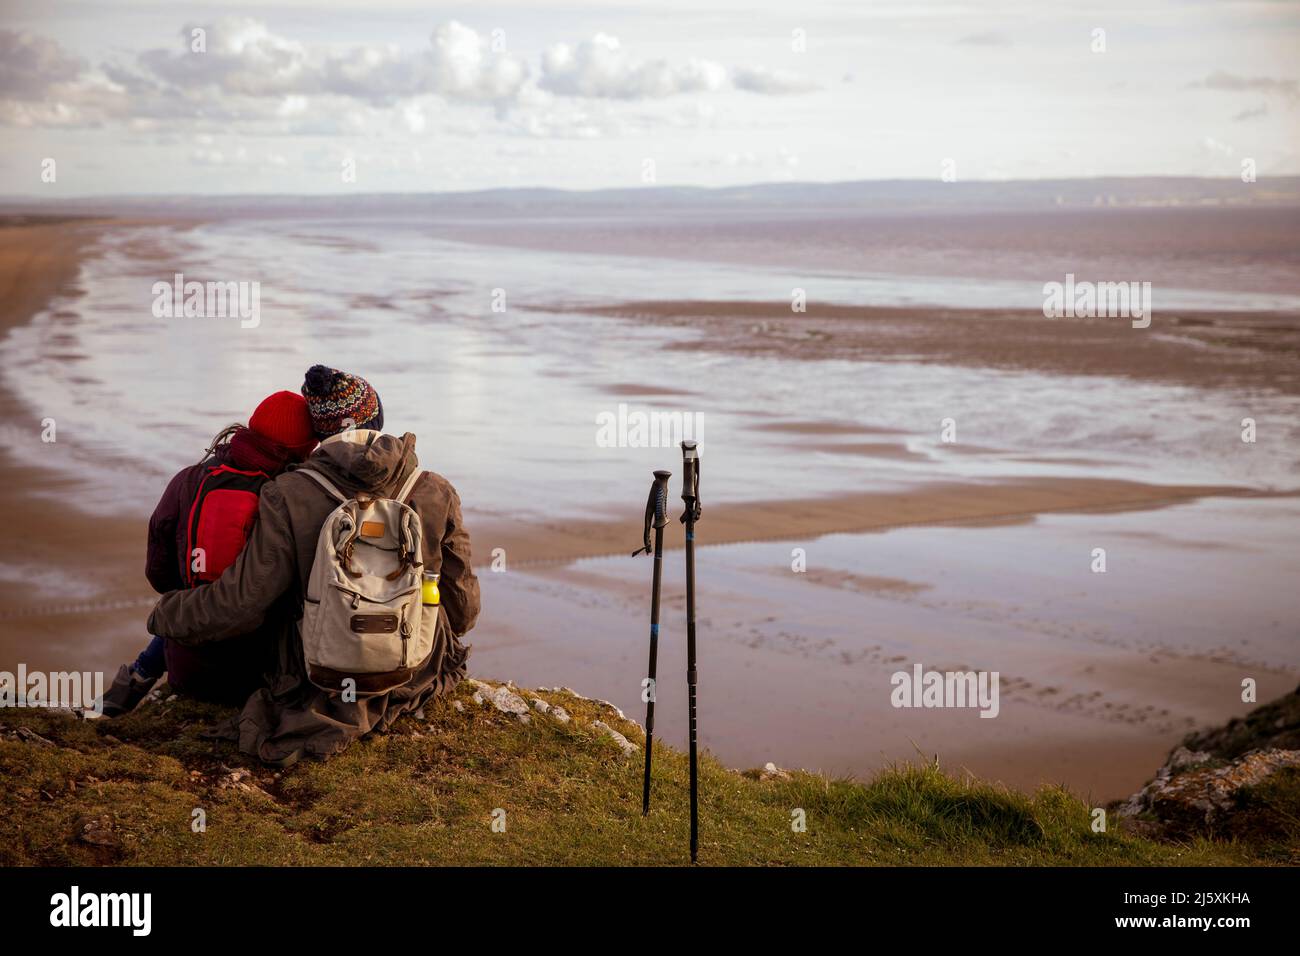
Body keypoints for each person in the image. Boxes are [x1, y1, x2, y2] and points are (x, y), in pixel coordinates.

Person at [147, 365, 480, 765]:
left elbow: (242, 603)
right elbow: (463, 611)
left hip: (320, 677)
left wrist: (165, 614)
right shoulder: (435, 489)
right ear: (377, 419)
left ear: (319, 434)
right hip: (414, 669)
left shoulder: (288, 493)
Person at [101, 391, 318, 716]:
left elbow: (158, 575)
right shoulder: (291, 500)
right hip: (263, 676)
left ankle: (128, 687)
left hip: (188, 670)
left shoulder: (189, 480)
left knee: (193, 597)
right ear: (305, 450)